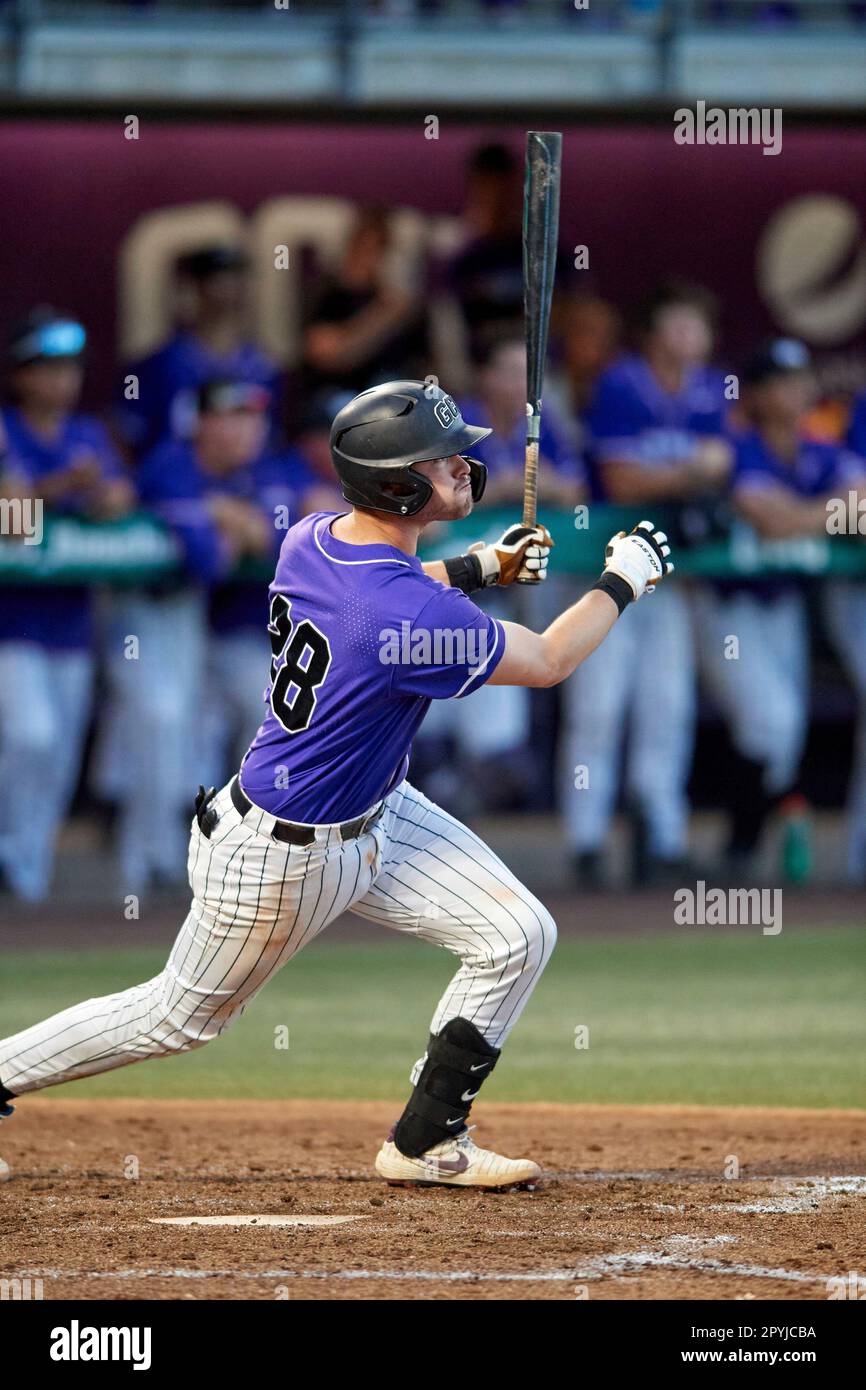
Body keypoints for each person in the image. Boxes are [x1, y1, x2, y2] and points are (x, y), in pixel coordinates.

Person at [0, 379, 672, 1189]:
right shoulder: (412, 615)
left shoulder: (315, 538)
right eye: (440, 459)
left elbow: (392, 596)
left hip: (371, 808)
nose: (463, 465)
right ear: (394, 483)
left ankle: (425, 1141)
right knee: (175, 1019)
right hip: (282, 860)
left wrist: (477, 567)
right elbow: (549, 660)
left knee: (516, 935)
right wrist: (621, 581)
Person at [559, 282, 731, 885]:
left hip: (670, 572)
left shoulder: (711, 388)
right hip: (604, 567)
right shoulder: (623, 382)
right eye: (680, 324)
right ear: (655, 332)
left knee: (669, 705)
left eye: (698, 326)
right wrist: (691, 473)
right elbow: (623, 480)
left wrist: (695, 475)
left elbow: (728, 468)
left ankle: (663, 835)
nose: (693, 338)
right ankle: (586, 841)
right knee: (599, 705)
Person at [106, 379, 293, 894]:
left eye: (254, 417)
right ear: (203, 425)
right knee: (159, 724)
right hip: (147, 613)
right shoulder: (170, 465)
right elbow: (208, 559)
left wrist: (233, 520)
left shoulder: (261, 470)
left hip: (204, 624)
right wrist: (220, 517)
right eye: (234, 417)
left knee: (198, 730)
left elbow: (287, 535)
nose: (248, 428)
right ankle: (142, 867)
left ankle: (201, 858)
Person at [693, 340, 866, 876]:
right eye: (782, 383)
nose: (796, 392)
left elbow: (861, 503)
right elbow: (770, 519)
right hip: (725, 604)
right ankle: (731, 846)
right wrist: (824, 514)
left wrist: (804, 514)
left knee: (781, 735)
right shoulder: (735, 446)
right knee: (770, 720)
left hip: (783, 604)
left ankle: (739, 847)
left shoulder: (818, 449)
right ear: (760, 394)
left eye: (800, 381)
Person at [0, 308, 132, 900]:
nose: (62, 380)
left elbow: (122, 501)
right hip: (12, 621)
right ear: (22, 375)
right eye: (47, 368)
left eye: (69, 369)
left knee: (58, 750)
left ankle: (27, 874)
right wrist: (63, 490)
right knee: (31, 735)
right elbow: (13, 521)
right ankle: (8, 851)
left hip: (72, 621)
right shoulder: (5, 429)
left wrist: (101, 494)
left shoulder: (87, 434)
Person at [117, 244, 281, 458]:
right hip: (174, 484)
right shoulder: (160, 364)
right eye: (215, 280)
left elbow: (273, 441)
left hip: (248, 484)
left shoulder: (263, 367)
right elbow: (126, 434)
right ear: (194, 288)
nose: (226, 289)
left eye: (235, 279)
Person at [301, 206, 429, 398]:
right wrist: (384, 316)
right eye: (363, 248)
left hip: (392, 397)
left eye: (378, 250)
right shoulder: (328, 294)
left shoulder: (406, 307)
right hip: (336, 396)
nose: (368, 258)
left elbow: (423, 365)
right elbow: (326, 354)